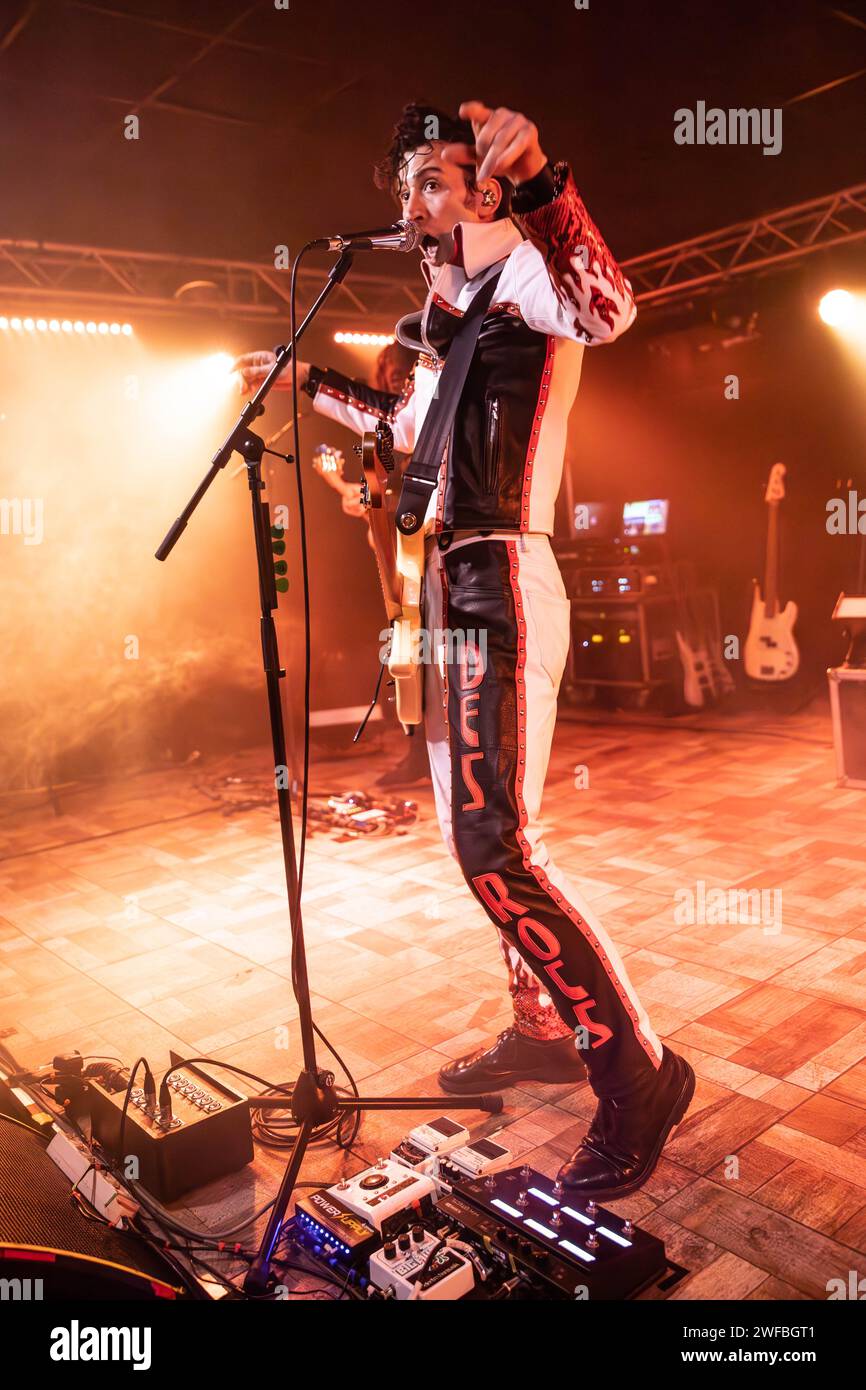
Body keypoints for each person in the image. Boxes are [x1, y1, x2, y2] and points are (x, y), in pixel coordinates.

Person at [234, 100, 695, 1198]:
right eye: (406, 184)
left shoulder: (526, 272)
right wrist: (315, 388)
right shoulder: (445, 317)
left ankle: (637, 1073)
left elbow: (608, 305)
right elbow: (408, 434)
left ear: (482, 192)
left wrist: (540, 180)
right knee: (470, 832)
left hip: (501, 576)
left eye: (434, 180)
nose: (412, 201)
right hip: (451, 580)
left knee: (498, 847)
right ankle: (541, 1024)